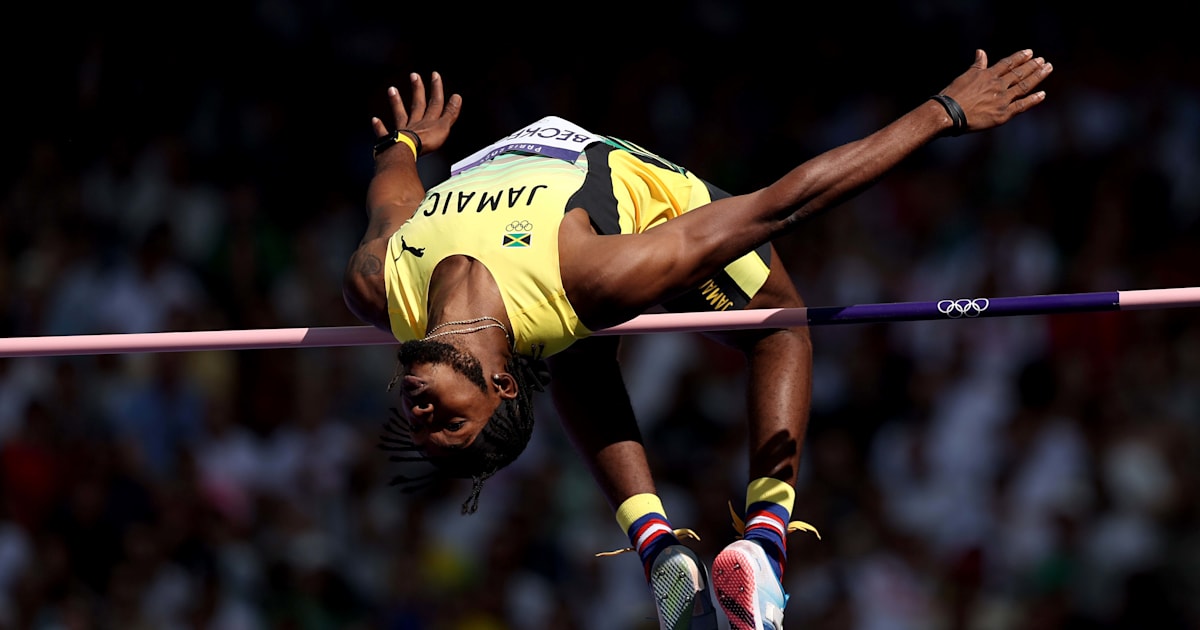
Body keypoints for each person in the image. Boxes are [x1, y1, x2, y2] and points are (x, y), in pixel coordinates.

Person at [343, 48, 1052, 630]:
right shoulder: (595, 273)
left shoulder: (378, 286)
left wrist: (401, 145)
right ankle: (766, 546)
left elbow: (393, 199)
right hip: (645, 211)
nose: (421, 415)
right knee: (780, 328)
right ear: (499, 387)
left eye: (419, 421)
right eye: (452, 423)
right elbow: (781, 204)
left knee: (577, 346)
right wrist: (942, 113)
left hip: (549, 253)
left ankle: (657, 550)